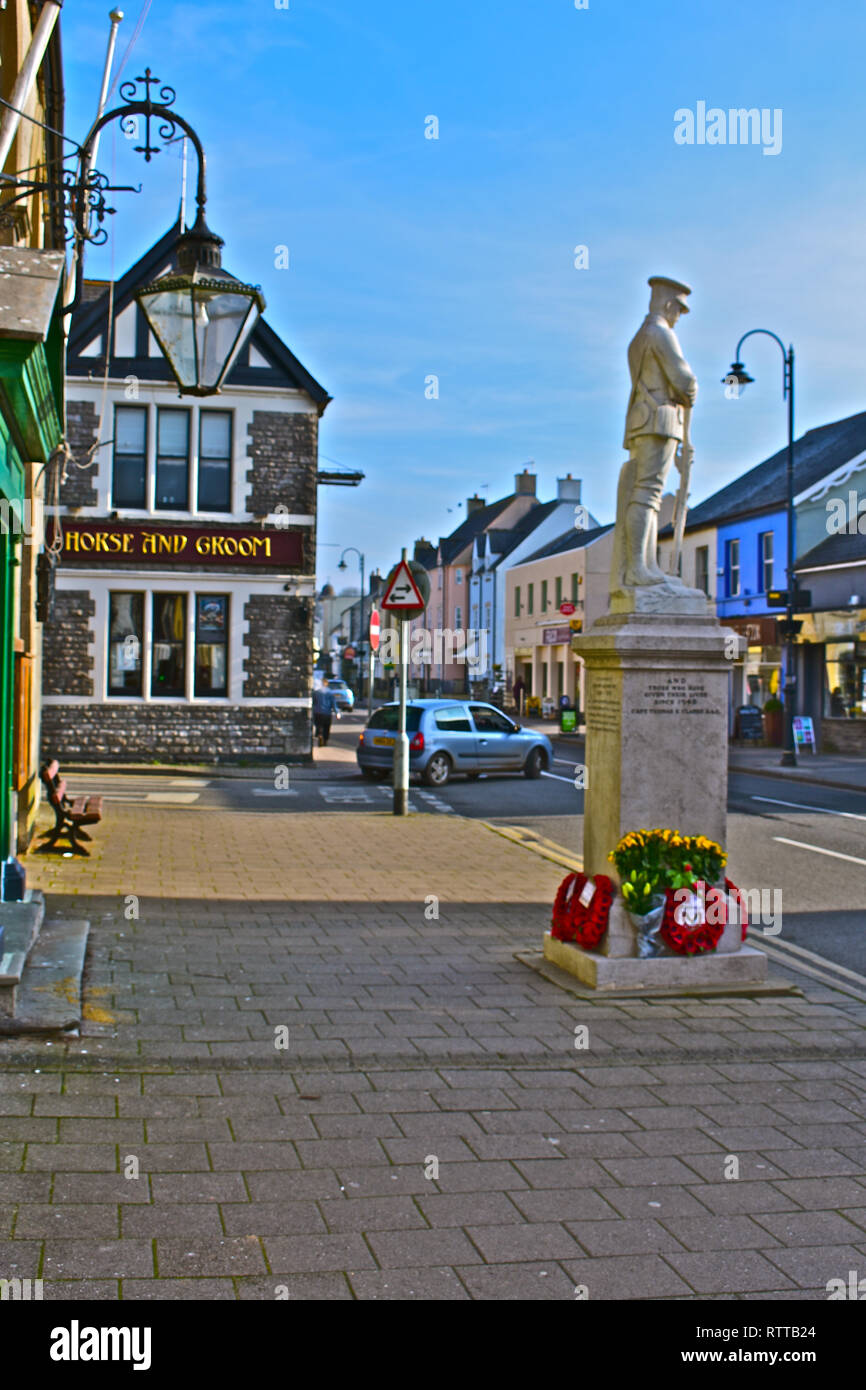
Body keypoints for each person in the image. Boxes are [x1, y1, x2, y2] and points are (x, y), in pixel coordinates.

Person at [611, 276, 700, 593]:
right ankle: (639, 567)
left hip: (644, 418)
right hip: (659, 419)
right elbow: (683, 380)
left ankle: (645, 565)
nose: (678, 317)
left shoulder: (640, 336)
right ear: (668, 304)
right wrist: (692, 388)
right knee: (648, 492)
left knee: (647, 493)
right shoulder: (660, 333)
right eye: (678, 309)